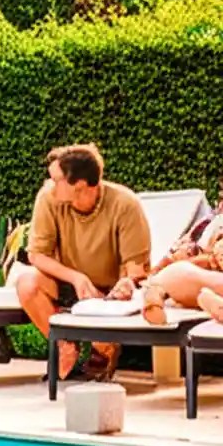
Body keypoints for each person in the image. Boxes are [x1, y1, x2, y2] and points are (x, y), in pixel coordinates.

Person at [15, 143, 151, 381]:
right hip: (68, 284)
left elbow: (136, 269)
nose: (49, 184)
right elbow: (36, 255)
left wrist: (119, 291)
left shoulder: (125, 204)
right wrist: (77, 278)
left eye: (56, 180)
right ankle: (65, 345)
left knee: (108, 322)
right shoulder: (48, 198)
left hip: (109, 292)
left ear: (79, 185)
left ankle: (104, 349)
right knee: (27, 284)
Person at [142, 177, 223, 323]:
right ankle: (154, 297)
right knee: (177, 274)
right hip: (202, 277)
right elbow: (177, 253)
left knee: (175, 275)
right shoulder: (209, 222)